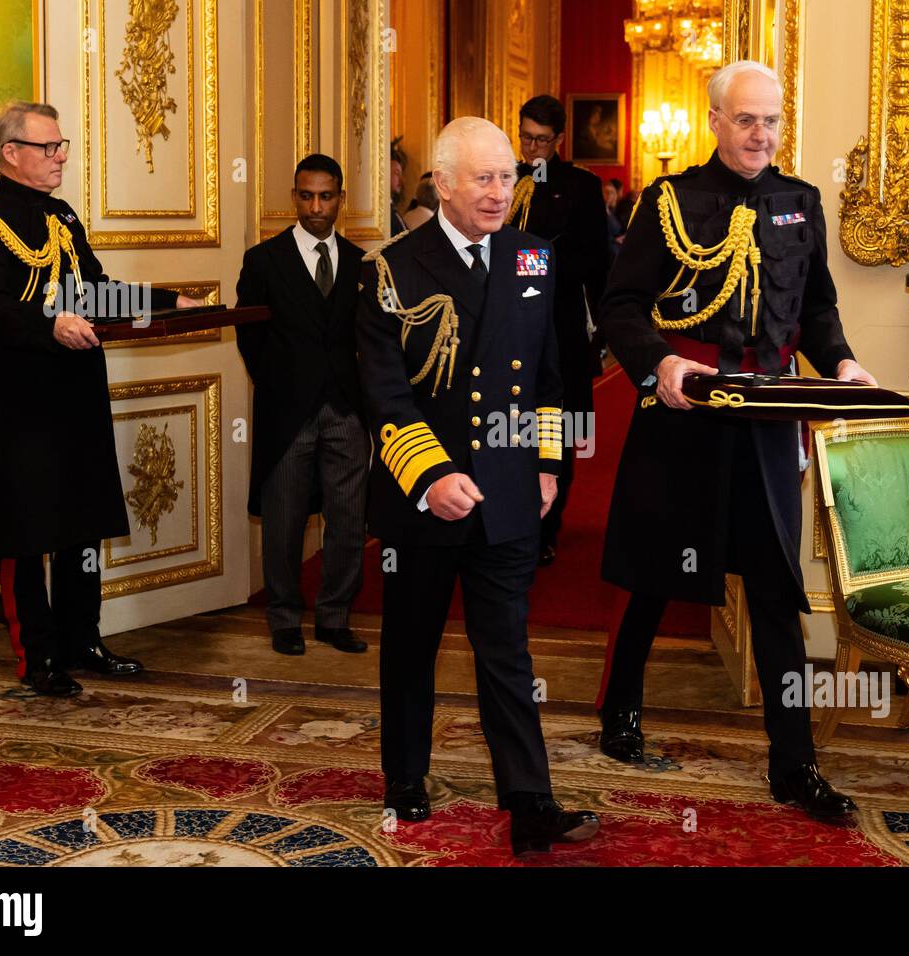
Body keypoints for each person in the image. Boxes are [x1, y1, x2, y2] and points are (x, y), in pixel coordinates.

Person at [596, 61, 876, 821]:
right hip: (685, 409)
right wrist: (658, 363)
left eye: (772, 121)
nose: (760, 134)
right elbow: (621, 306)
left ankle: (795, 767)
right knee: (655, 575)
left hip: (767, 416)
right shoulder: (671, 201)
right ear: (715, 121)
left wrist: (843, 362)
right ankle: (619, 709)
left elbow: (816, 309)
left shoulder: (800, 204)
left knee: (775, 589)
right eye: (746, 120)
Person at [356, 116, 599, 856]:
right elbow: (384, 393)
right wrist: (432, 477)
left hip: (509, 492)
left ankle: (529, 801)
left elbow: (551, 375)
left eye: (509, 176)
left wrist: (551, 464)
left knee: (508, 653)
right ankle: (405, 776)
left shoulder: (534, 257)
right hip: (424, 495)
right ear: (443, 183)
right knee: (411, 643)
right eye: (485, 178)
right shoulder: (391, 269)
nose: (501, 192)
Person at [0, 100, 201, 697]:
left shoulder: (63, 217)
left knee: (79, 523)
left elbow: (96, 291)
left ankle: (82, 639)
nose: (61, 155)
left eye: (62, 145)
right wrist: (49, 327)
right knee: (28, 531)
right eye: (49, 147)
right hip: (22, 403)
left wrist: (169, 303)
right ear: (11, 154)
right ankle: (37, 656)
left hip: (75, 395)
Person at [235, 154, 369, 657]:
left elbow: (370, 340)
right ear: (295, 197)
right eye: (307, 195)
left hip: (347, 412)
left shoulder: (361, 264)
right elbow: (250, 334)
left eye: (326, 196)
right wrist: (279, 384)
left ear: (340, 199)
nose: (316, 206)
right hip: (286, 413)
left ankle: (335, 617)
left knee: (348, 520)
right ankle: (285, 618)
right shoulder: (263, 261)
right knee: (284, 521)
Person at [508, 94, 609, 566]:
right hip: (506, 329)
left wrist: (603, 332)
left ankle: (547, 527)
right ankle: (510, 521)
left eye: (542, 141)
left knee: (557, 432)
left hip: (560, 329)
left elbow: (595, 263)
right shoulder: (502, 178)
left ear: (560, 140)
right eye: (526, 137)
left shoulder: (580, 187)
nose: (532, 148)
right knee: (507, 430)